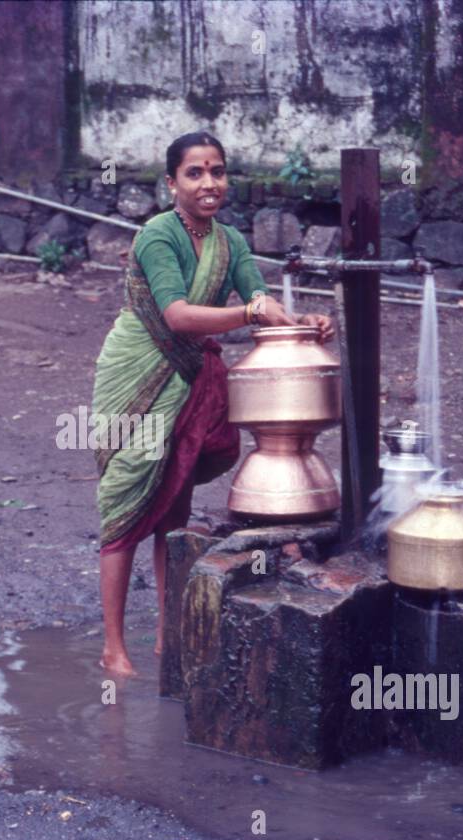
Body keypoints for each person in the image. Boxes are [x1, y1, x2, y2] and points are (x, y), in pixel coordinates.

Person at [92, 131, 334, 676]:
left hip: (191, 373)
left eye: (218, 171)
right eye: (195, 173)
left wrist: (304, 322)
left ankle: (166, 633)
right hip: (139, 372)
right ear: (172, 182)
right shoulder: (157, 235)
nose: (209, 183)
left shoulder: (229, 242)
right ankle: (113, 647)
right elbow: (178, 316)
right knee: (127, 502)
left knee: (172, 506)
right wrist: (252, 314)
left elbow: (260, 301)